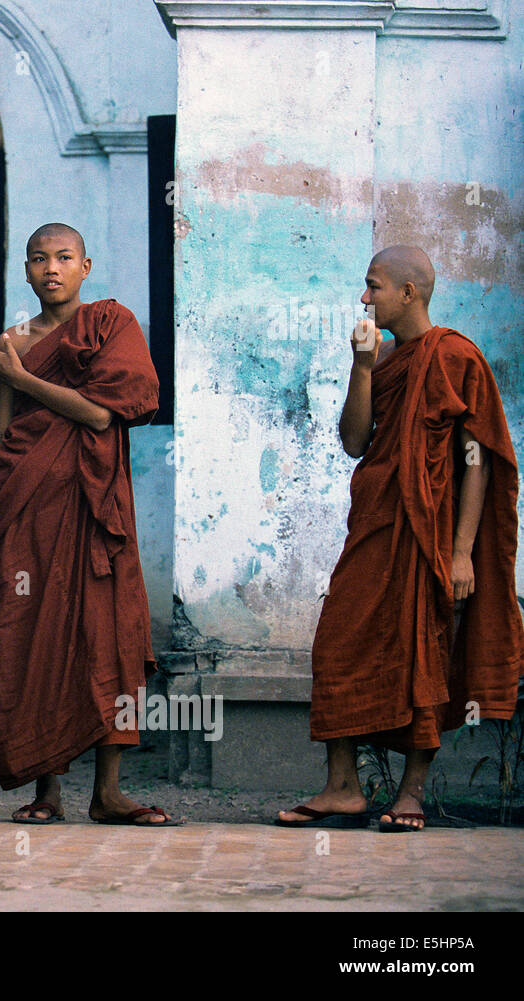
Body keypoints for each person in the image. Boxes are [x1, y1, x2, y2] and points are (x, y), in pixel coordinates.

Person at [277, 246, 523, 832]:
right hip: (378, 521)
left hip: (433, 533)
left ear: (408, 293)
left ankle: (411, 793)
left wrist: (463, 552)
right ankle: (342, 787)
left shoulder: (455, 356)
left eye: (374, 286)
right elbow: (356, 442)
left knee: (424, 651)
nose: (365, 298)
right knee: (337, 639)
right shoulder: (384, 362)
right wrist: (361, 368)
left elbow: (477, 460)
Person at [0, 223, 174, 826]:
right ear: (25, 270)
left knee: (108, 638)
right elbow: (3, 437)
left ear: (86, 266)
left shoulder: (111, 325)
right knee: (30, 638)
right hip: (25, 512)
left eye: (63, 258)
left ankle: (108, 792)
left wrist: (25, 379)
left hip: (93, 512)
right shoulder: (13, 340)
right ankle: (46, 791)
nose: (51, 269)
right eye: (38, 259)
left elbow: (103, 418)